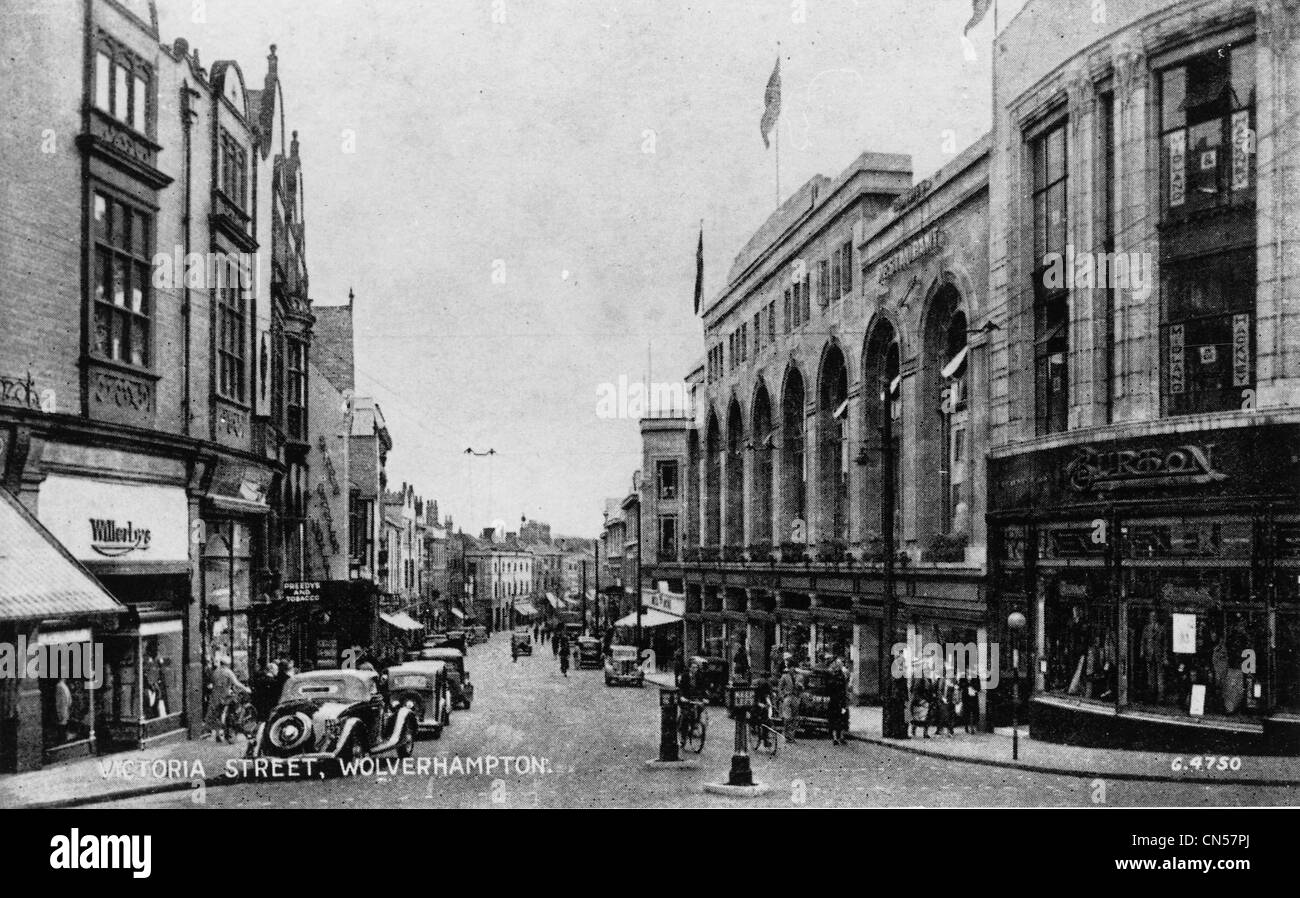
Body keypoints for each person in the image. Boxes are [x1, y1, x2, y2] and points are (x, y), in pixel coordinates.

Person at [204, 657, 249, 742]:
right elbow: (236, 683)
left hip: (215, 695)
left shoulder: (215, 672)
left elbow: (212, 683)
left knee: (217, 715)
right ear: (227, 664)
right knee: (231, 712)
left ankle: (217, 734)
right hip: (225, 696)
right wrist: (245, 688)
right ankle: (229, 732)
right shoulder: (228, 672)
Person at [827, 661, 849, 745]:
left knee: (834, 719)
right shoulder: (843, 676)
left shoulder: (832, 676)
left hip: (834, 701)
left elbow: (829, 689)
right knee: (842, 718)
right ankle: (840, 737)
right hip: (841, 701)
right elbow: (844, 689)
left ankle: (835, 737)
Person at [777, 663, 799, 745]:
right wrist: (782, 697)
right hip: (788, 697)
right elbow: (780, 687)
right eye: (792, 668)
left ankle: (792, 737)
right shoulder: (784, 676)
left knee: (794, 717)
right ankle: (787, 735)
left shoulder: (797, 676)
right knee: (787, 718)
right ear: (789, 668)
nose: (793, 669)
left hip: (795, 697)